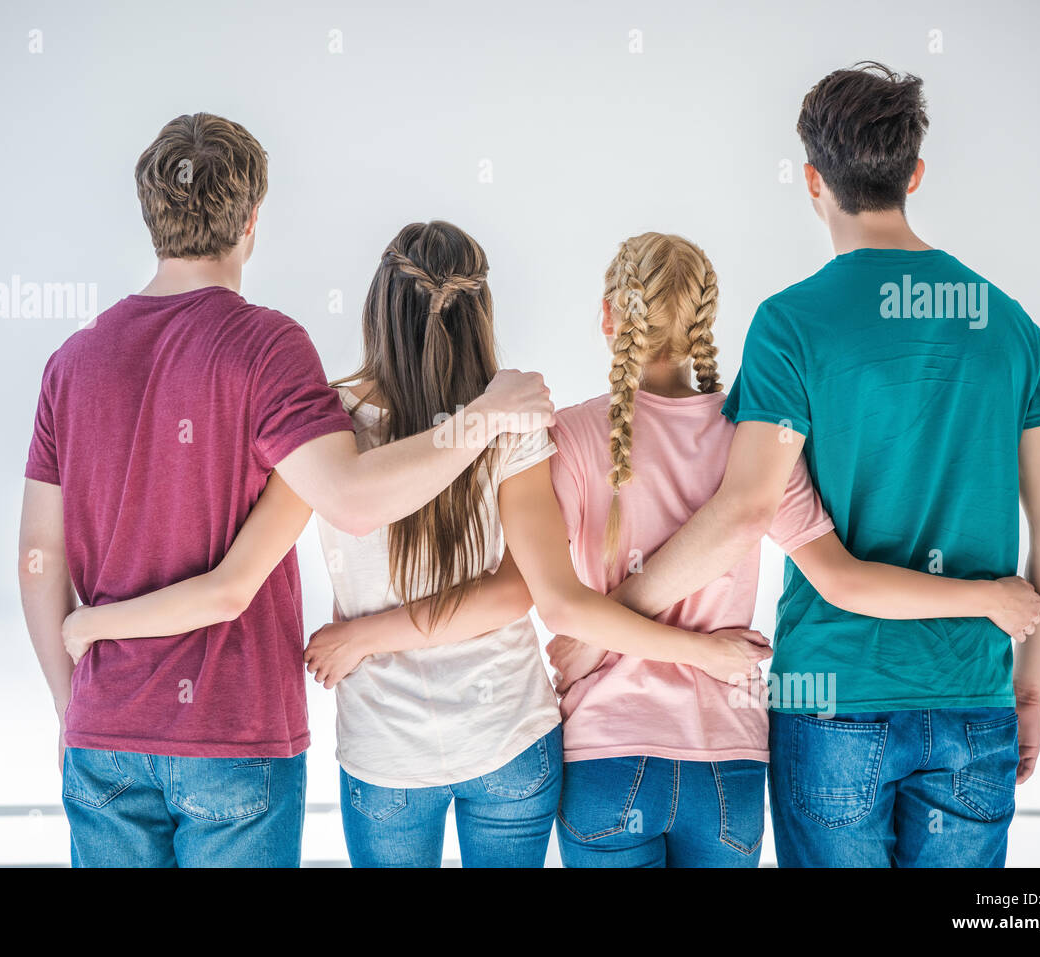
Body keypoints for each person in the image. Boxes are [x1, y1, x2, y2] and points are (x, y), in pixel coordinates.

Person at [62, 220, 774, 867]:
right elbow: (519, 592)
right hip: (511, 741)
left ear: (378, 310)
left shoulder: (325, 428)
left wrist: (365, 635)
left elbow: (236, 576)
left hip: (388, 753)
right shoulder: (513, 419)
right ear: (481, 312)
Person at [570, 64, 1040, 868]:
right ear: (914, 173)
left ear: (812, 179)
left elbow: (744, 510)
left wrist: (614, 619)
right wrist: (1029, 687)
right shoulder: (1005, 323)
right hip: (973, 697)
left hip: (832, 702)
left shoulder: (789, 326)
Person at [17, 116, 554, 868]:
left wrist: (70, 694)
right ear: (251, 220)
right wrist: (487, 417)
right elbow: (351, 499)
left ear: (151, 218)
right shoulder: (266, 347)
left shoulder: (69, 364)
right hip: (234, 733)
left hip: (103, 731)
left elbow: (37, 558)